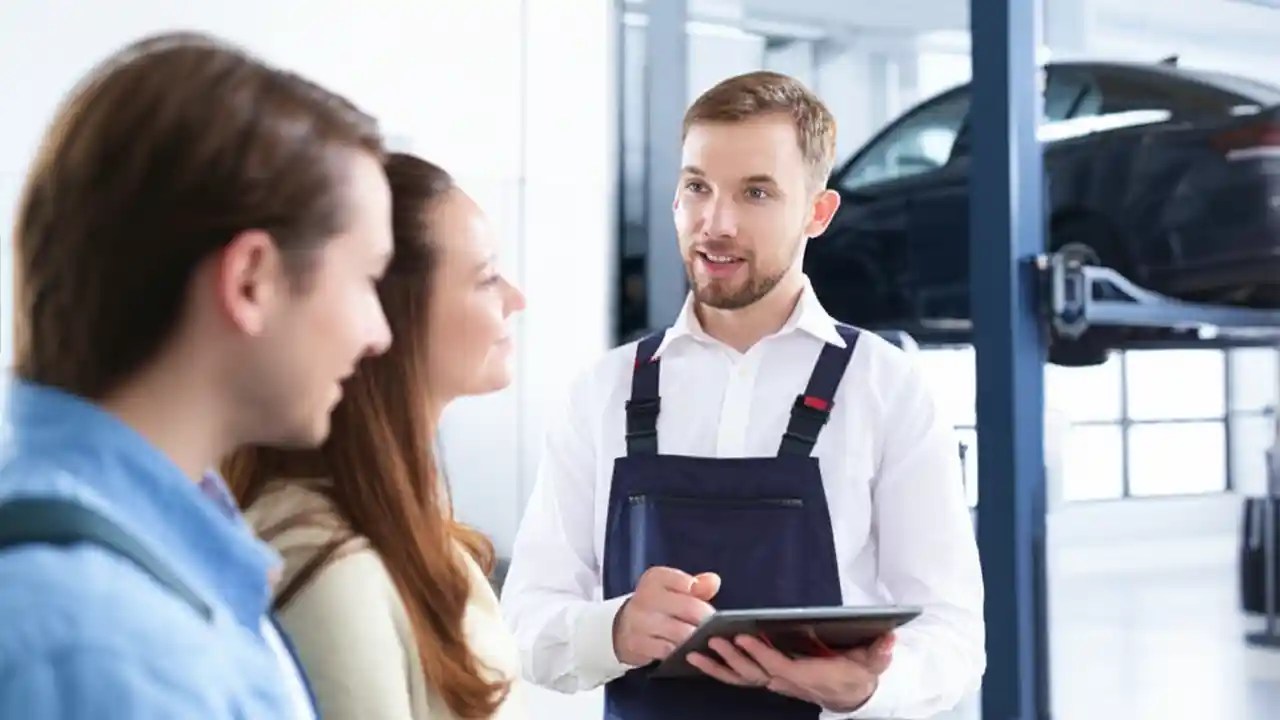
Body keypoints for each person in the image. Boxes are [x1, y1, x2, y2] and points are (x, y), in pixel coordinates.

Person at [500, 70, 985, 720]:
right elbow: (525, 623)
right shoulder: (603, 394)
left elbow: (954, 635)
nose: (715, 223)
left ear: (817, 212)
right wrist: (614, 630)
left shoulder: (887, 389)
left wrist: (868, 689)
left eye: (756, 192)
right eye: (697, 187)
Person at [0, 32, 393, 718]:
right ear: (251, 280)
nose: (378, 333)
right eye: (366, 279)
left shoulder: (136, 584)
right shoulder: (109, 648)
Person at [222, 152, 529, 720]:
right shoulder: (329, 567)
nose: (515, 299)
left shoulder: (396, 522)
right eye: (486, 277)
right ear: (391, 314)